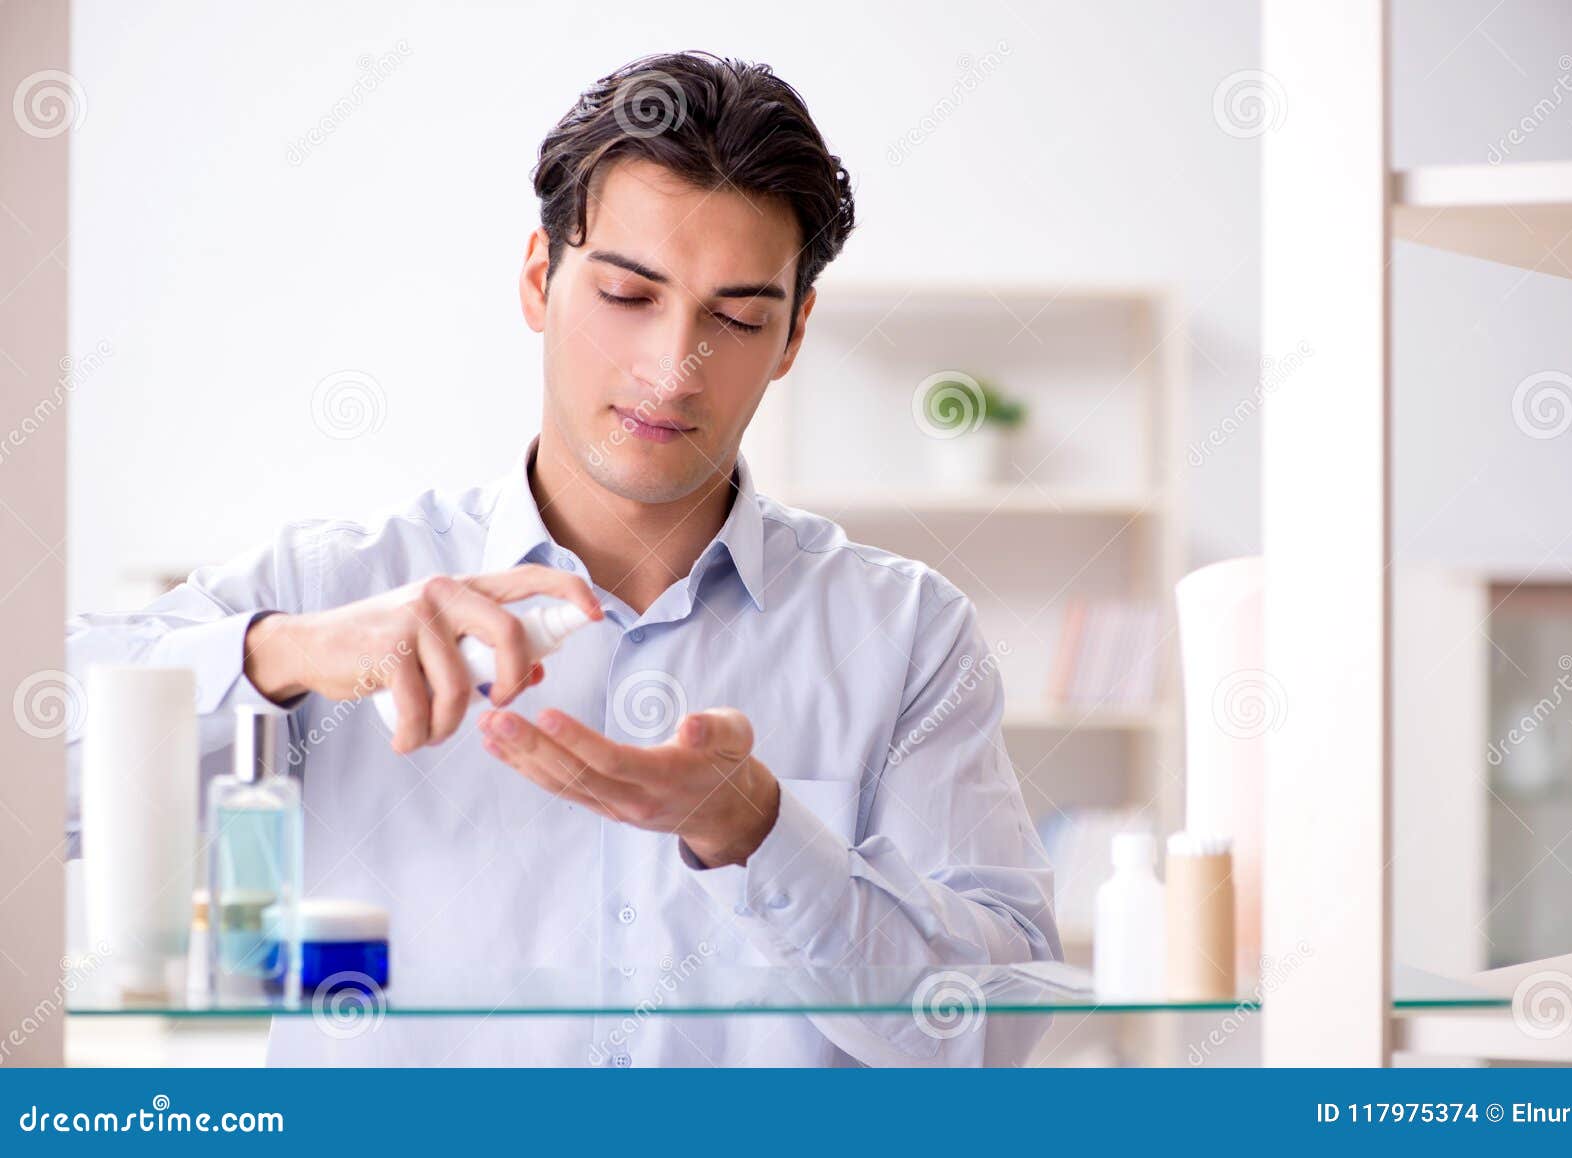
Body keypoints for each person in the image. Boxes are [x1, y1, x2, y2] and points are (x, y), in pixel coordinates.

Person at [67, 50, 1059, 1066]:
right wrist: (281, 654)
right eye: (628, 295)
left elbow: (997, 1029)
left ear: (793, 335)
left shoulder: (906, 635)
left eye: (736, 318)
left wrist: (765, 836)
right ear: (540, 279)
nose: (672, 370)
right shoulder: (334, 588)